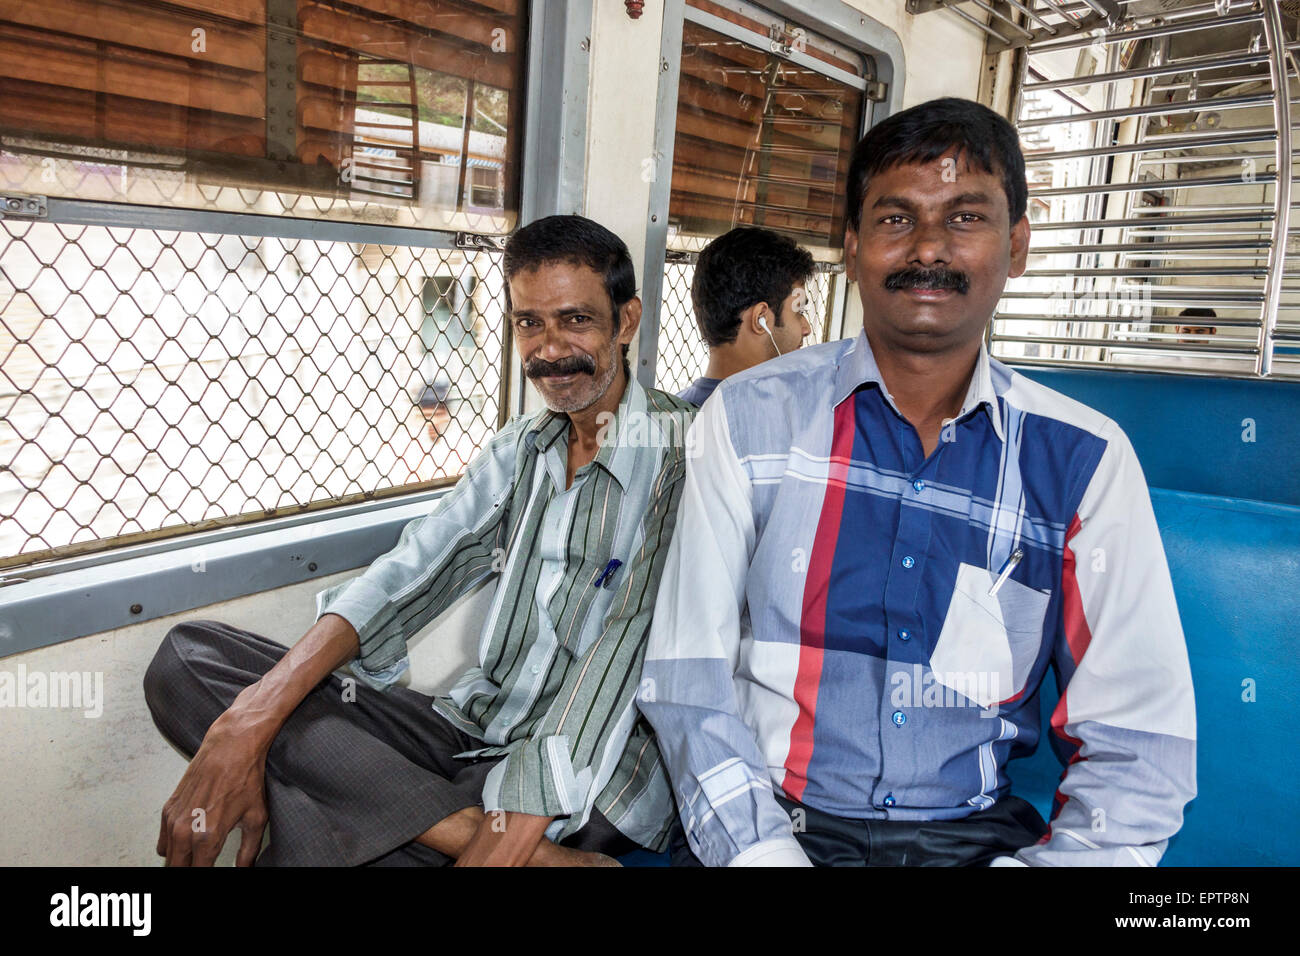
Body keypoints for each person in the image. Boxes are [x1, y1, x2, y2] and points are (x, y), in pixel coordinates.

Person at [640, 97, 1196, 867]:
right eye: (896, 218)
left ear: (1017, 244)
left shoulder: (1085, 462)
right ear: (853, 246)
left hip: (973, 836)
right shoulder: (745, 419)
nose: (928, 247)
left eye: (965, 217)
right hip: (772, 822)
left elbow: (1139, 745)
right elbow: (686, 679)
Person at [143, 214, 696, 867]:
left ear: (626, 321)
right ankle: (492, 846)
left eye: (575, 320)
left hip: (591, 778)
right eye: (529, 323)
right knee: (187, 661)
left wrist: (509, 836)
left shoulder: (684, 452)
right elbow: (412, 570)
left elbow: (622, 650)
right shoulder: (522, 448)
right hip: (473, 730)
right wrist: (249, 721)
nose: (549, 350)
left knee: (304, 844)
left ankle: (413, 823)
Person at [677, 227, 815, 407]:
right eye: (799, 313)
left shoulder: (671, 413)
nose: (807, 328)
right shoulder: (774, 416)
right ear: (760, 319)